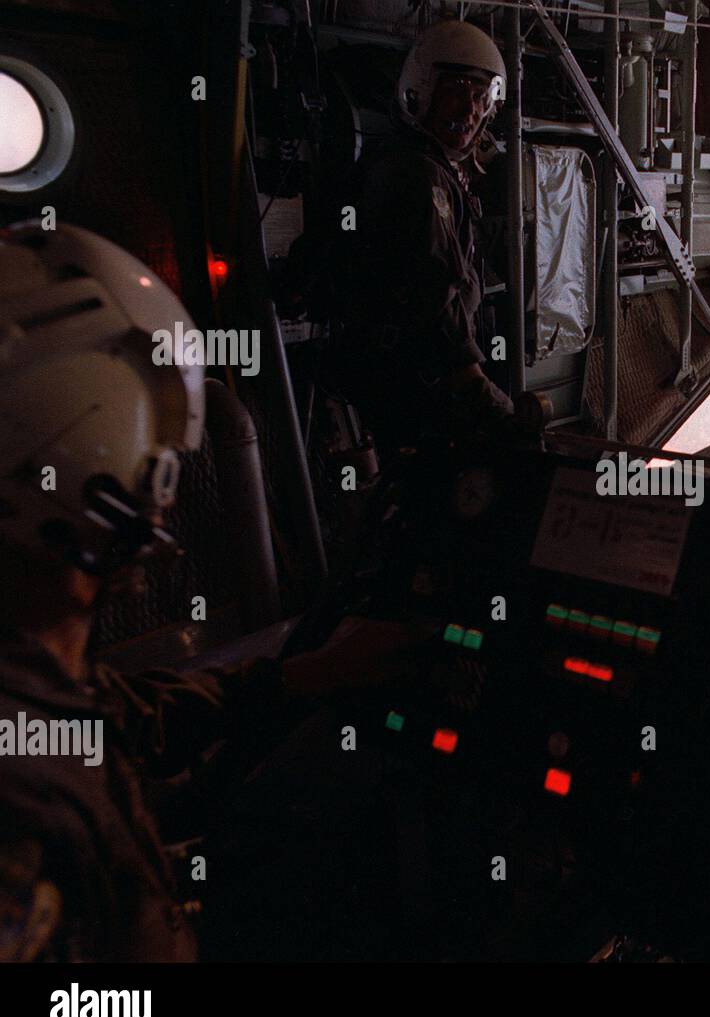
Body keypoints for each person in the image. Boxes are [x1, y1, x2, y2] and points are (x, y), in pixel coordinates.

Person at [0, 222, 426, 961]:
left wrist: (301, 675)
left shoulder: (36, 679)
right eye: (162, 455)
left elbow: (117, 718)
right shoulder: (26, 822)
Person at [331, 19, 516, 455]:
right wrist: (478, 389)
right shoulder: (417, 176)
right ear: (420, 92)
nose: (470, 111)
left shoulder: (426, 168)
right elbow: (434, 295)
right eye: (456, 92)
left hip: (411, 383)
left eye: (480, 97)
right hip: (419, 388)